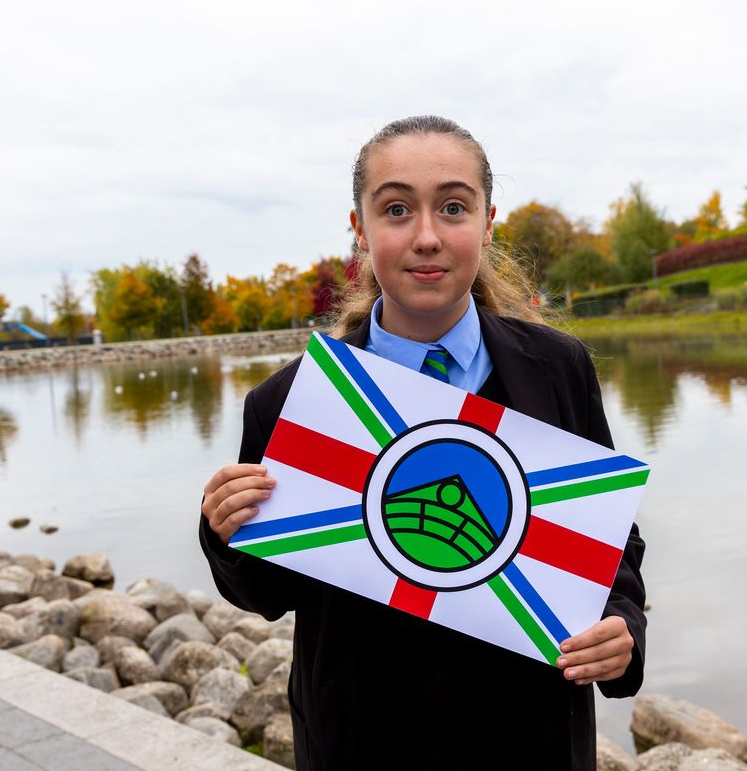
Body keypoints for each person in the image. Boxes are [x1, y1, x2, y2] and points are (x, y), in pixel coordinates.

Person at [200, 115, 646, 771]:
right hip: (363, 740)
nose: (428, 237)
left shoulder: (558, 369)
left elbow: (611, 542)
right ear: (360, 228)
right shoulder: (294, 402)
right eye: (398, 209)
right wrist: (224, 530)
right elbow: (268, 594)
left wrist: (622, 624)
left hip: (529, 736)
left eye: (454, 207)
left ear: (489, 222)